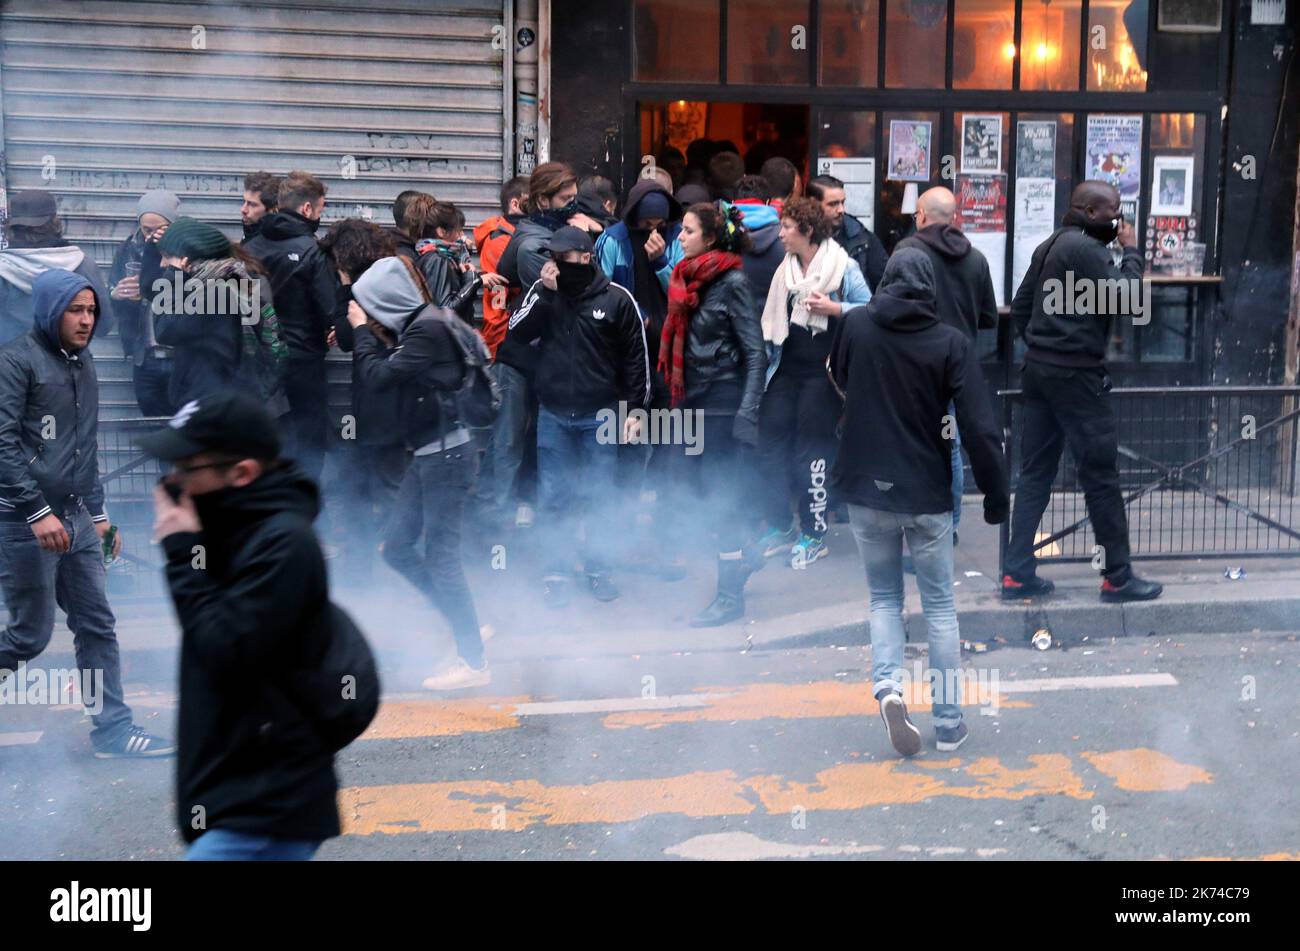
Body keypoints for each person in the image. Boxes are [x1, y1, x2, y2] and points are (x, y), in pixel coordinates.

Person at [140, 392, 338, 859]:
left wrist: (182, 554)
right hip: (246, 795)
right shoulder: (235, 530)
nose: (172, 484)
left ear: (242, 473)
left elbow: (223, 647)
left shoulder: (282, 543)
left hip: (263, 801)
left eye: (187, 470)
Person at [829, 249, 1009, 756]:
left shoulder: (856, 325)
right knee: (940, 609)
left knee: (884, 599)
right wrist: (995, 497)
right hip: (925, 491)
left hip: (865, 488)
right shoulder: (949, 342)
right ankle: (949, 724)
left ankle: (888, 689)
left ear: (885, 281)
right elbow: (980, 428)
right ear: (930, 289)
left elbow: (838, 382)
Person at [0, 269, 173, 758]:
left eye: (92, 310)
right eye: (76, 310)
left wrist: (97, 513)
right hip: (25, 524)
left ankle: (114, 731)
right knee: (29, 637)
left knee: (96, 624)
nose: (86, 320)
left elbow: (84, 446)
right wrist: (35, 511)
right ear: (52, 312)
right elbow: (3, 443)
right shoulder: (15, 361)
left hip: (75, 519)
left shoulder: (83, 362)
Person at [1005, 181, 1163, 603]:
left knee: (1036, 473)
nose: (1118, 221)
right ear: (1089, 212)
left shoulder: (1049, 245)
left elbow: (1021, 308)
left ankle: (1016, 573)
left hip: (1039, 373)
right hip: (1076, 376)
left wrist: (1043, 344)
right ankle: (1118, 577)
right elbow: (1128, 299)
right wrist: (1131, 251)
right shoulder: (1087, 250)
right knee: (1100, 477)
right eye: (1112, 213)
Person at [347, 256, 489, 690]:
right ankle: (460, 622)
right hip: (431, 454)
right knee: (396, 547)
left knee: (442, 556)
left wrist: (358, 332)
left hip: (446, 456)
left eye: (367, 306)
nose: (366, 314)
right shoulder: (424, 323)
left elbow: (378, 377)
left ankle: (474, 660)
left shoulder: (426, 328)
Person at [509, 226, 648, 605]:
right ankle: (555, 572)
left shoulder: (617, 299)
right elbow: (516, 333)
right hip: (554, 413)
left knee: (601, 496)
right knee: (555, 495)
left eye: (562, 257)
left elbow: (637, 359)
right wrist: (541, 295)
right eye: (552, 257)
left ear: (585, 258)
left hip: (600, 415)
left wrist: (635, 410)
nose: (554, 264)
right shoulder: (544, 292)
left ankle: (598, 569)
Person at [662, 202, 767, 626]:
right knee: (696, 493)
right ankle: (748, 552)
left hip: (721, 405)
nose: (679, 237)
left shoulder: (733, 282)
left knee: (720, 498)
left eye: (687, 231)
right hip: (692, 402)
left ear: (710, 238)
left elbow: (755, 352)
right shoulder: (687, 277)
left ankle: (729, 596)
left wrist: (747, 413)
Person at [755, 198, 871, 567]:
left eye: (787, 227)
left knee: (812, 455)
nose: (781, 234)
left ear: (806, 230)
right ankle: (780, 526)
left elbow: (871, 310)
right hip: (784, 371)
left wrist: (836, 309)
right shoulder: (784, 270)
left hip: (821, 376)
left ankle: (813, 532)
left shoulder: (842, 267)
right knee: (770, 448)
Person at [896, 186, 999, 543]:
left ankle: (922, 526)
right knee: (950, 443)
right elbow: (988, 317)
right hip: (959, 368)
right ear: (954, 218)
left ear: (921, 216)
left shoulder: (908, 252)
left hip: (914, 367)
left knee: (915, 445)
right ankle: (948, 527)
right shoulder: (976, 258)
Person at [318, 219, 405, 581]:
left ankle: (391, 576)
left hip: (384, 410)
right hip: (377, 409)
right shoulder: (391, 279)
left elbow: (351, 338)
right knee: (369, 492)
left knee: (386, 495)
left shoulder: (368, 290)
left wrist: (344, 289)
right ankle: (373, 574)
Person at [242, 171, 336, 484]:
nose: (321, 216)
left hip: (258, 361)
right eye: (321, 209)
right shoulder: (312, 250)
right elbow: (330, 306)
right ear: (307, 210)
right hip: (304, 361)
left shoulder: (249, 248)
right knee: (309, 438)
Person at [154, 218, 286, 410]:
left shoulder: (213, 292)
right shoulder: (229, 283)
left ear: (185, 258)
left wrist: (174, 274)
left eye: (167, 256)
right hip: (229, 400)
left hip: (212, 404)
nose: (162, 263)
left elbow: (164, 329)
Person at [0, 190, 112, 347]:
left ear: (12, 228)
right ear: (55, 223)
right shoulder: (82, 265)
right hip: (68, 366)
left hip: (12, 367)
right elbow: (104, 326)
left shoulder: (3, 270)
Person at [109, 189, 181, 416]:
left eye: (159, 229)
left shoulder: (187, 249)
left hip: (182, 357)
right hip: (145, 357)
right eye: (146, 229)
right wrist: (116, 294)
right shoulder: (128, 249)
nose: (150, 236)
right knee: (153, 425)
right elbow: (110, 289)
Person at [473, 176, 529, 360]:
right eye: (532, 200)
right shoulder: (499, 243)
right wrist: (497, 349)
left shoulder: (519, 234)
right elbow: (497, 300)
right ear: (515, 203)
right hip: (506, 340)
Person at [806, 174, 889, 293]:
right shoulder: (798, 236)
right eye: (833, 204)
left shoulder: (862, 237)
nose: (841, 209)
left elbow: (885, 283)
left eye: (842, 202)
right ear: (812, 205)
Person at [404, 196, 478, 324]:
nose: (462, 236)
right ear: (441, 232)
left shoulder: (436, 256)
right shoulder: (437, 260)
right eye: (458, 231)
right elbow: (444, 311)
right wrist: (470, 283)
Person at [732, 175, 784, 319]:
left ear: (732, 202)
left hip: (729, 326)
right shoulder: (787, 239)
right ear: (768, 203)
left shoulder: (715, 237)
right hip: (773, 325)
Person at [390, 189, 429, 261]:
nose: (430, 220)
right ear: (414, 219)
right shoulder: (407, 256)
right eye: (426, 214)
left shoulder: (388, 246)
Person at [240, 172, 280, 241]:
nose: (243, 209)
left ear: (273, 210)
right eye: (244, 201)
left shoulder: (275, 245)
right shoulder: (250, 233)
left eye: (252, 204)